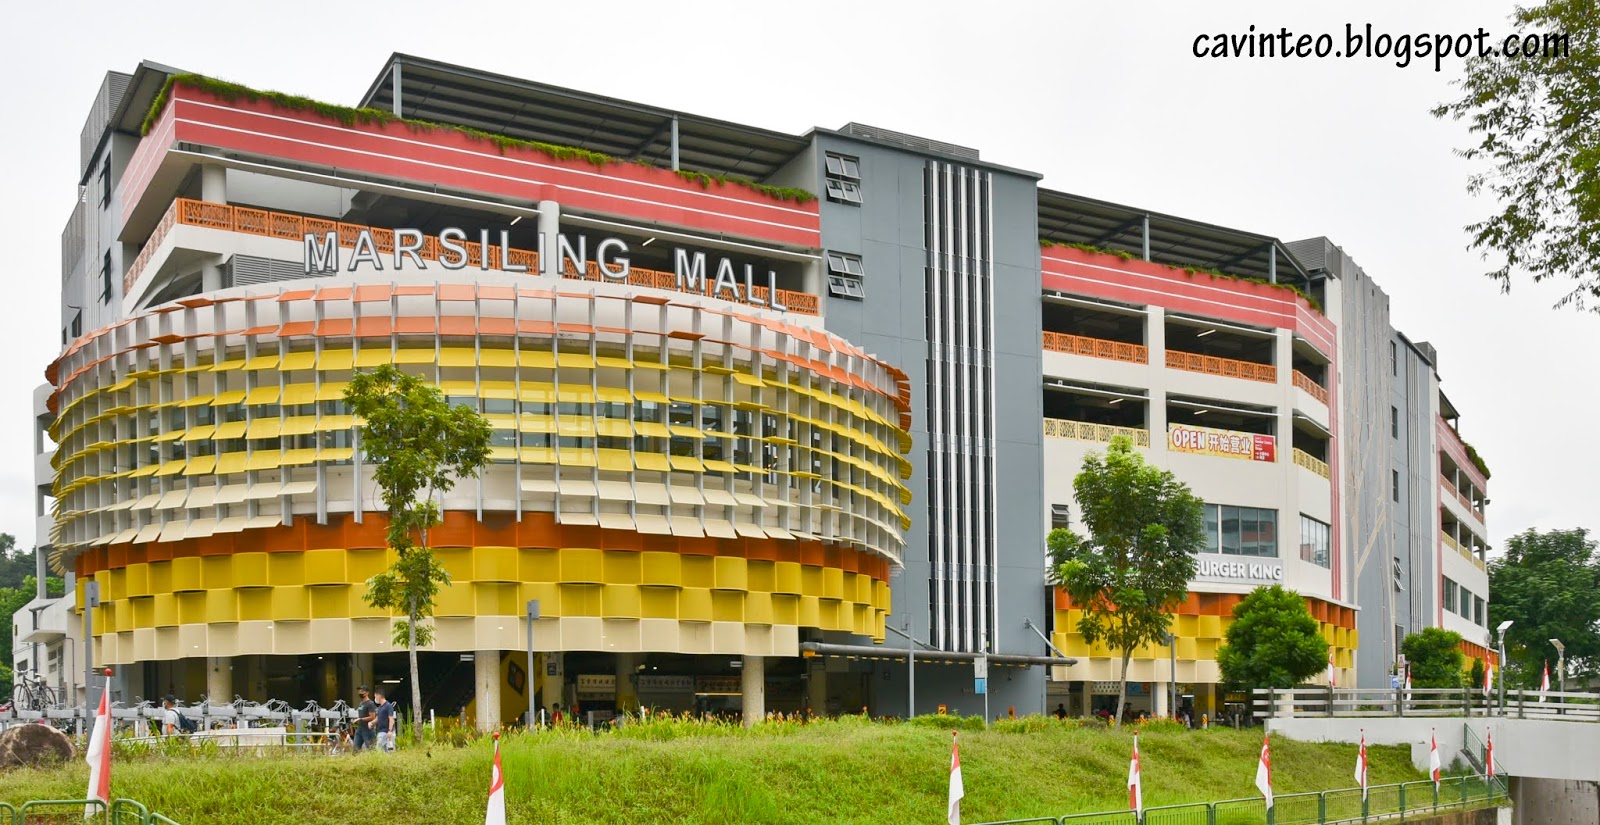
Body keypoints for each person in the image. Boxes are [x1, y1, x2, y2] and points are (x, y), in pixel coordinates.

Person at [353, 686, 376, 751]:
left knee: (371, 749)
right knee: (356, 748)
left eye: (362, 691)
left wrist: (361, 719)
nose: (360, 693)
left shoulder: (370, 703)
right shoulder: (361, 703)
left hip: (368, 729)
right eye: (359, 691)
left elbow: (372, 717)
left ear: (367, 693)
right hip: (360, 728)